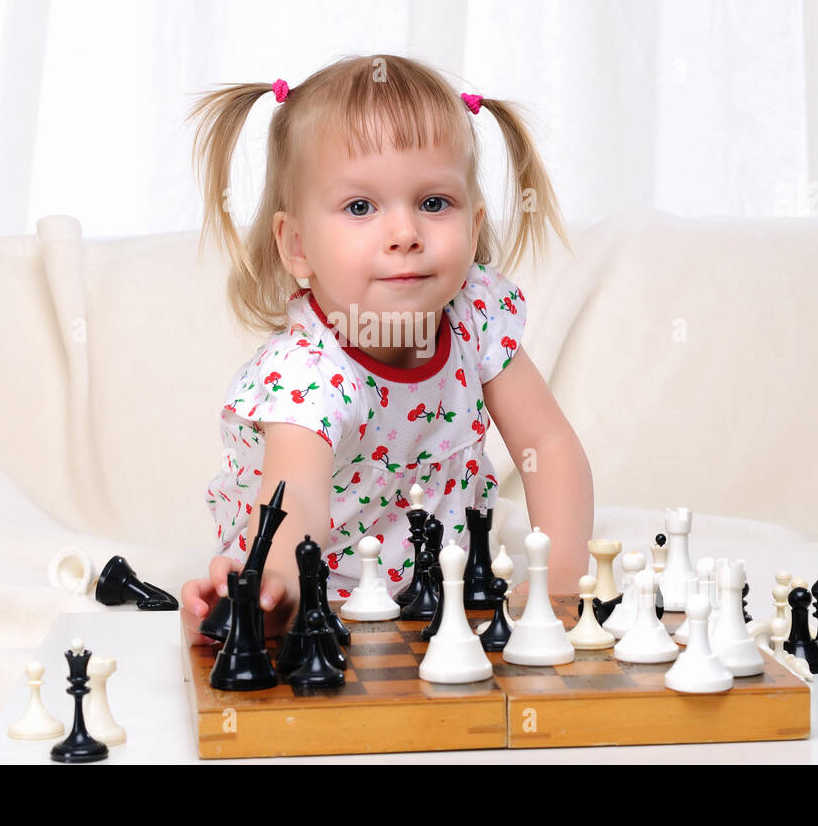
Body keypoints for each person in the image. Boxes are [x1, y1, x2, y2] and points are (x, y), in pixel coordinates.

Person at [180, 54, 593, 645]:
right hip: (334, 598)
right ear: (296, 246)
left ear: (474, 227)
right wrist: (273, 586)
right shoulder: (310, 373)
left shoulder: (475, 317)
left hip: (447, 593)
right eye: (360, 207)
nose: (405, 234)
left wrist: (558, 580)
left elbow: (547, 444)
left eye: (433, 203)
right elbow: (294, 495)